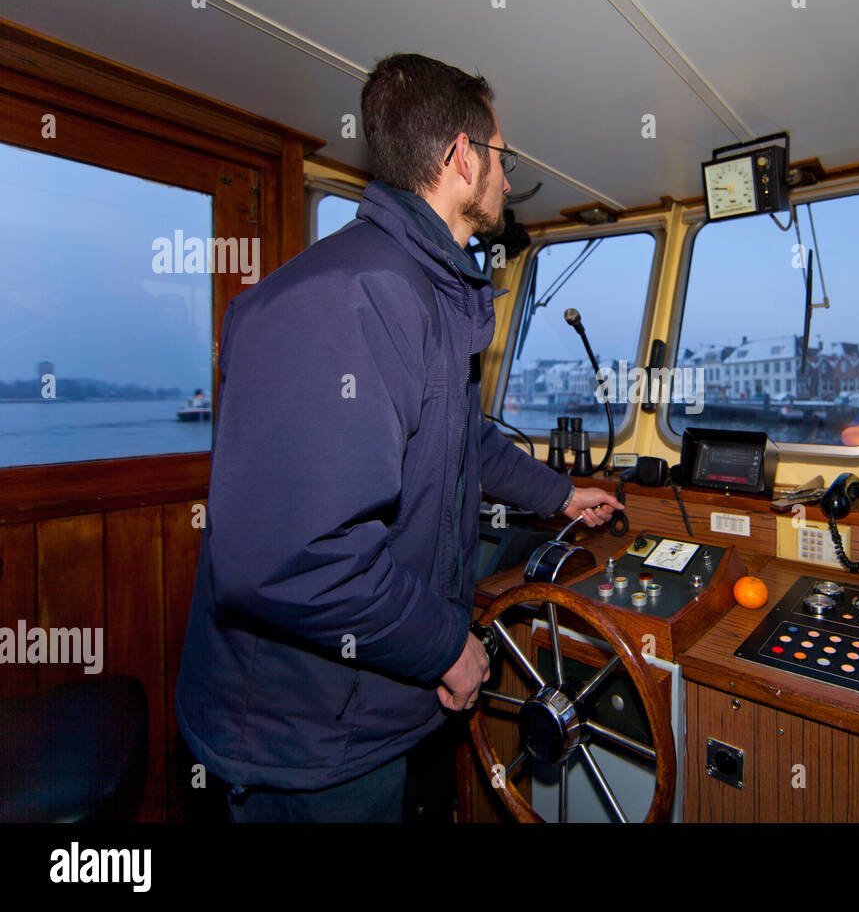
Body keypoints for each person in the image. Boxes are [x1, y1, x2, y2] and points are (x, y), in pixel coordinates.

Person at [175, 53, 621, 822]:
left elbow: (462, 438)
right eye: (501, 159)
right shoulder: (350, 300)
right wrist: (443, 646)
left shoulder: (420, 291)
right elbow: (297, 558)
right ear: (459, 157)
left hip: (363, 709)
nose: (508, 183)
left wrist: (562, 494)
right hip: (303, 739)